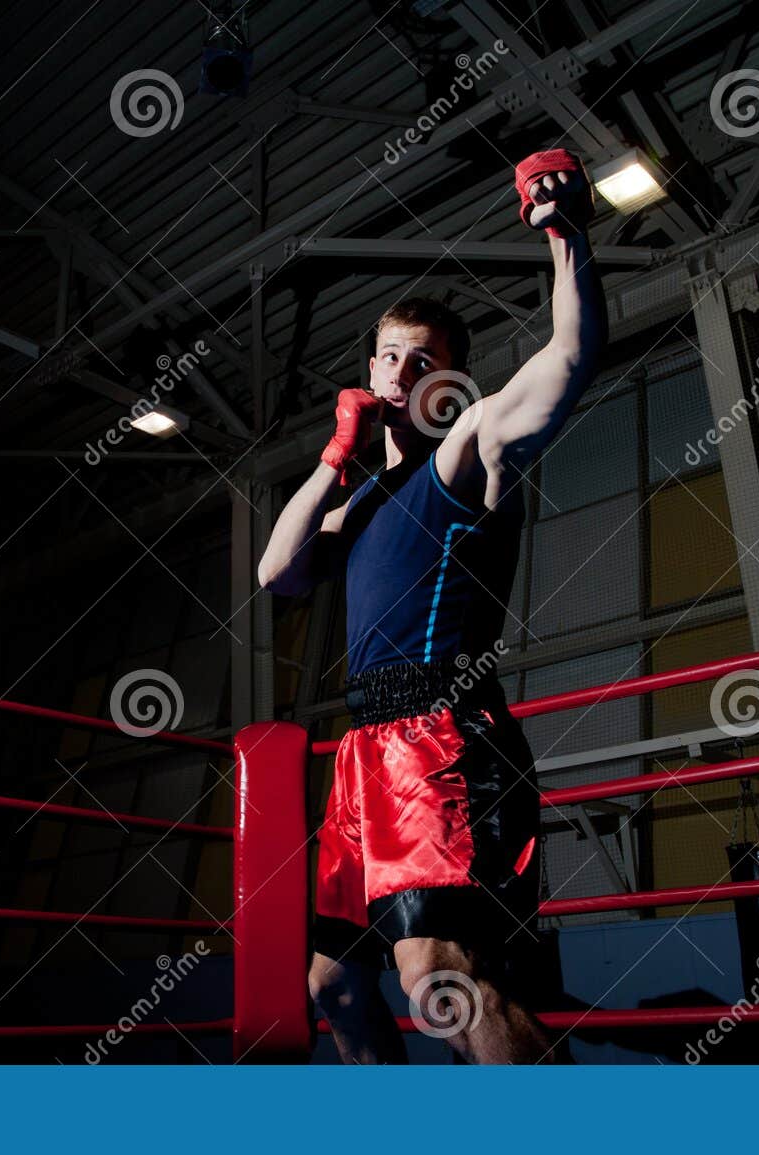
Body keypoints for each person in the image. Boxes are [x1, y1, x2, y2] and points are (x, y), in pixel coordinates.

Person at [257, 149, 606, 1063]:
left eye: (427, 361)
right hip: (362, 757)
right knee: (332, 982)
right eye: (391, 355)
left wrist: (566, 235)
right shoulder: (359, 500)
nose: (405, 371)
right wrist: (336, 453)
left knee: (436, 976)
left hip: (441, 739)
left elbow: (570, 359)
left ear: (449, 379)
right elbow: (276, 574)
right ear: (370, 368)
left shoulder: (466, 454)